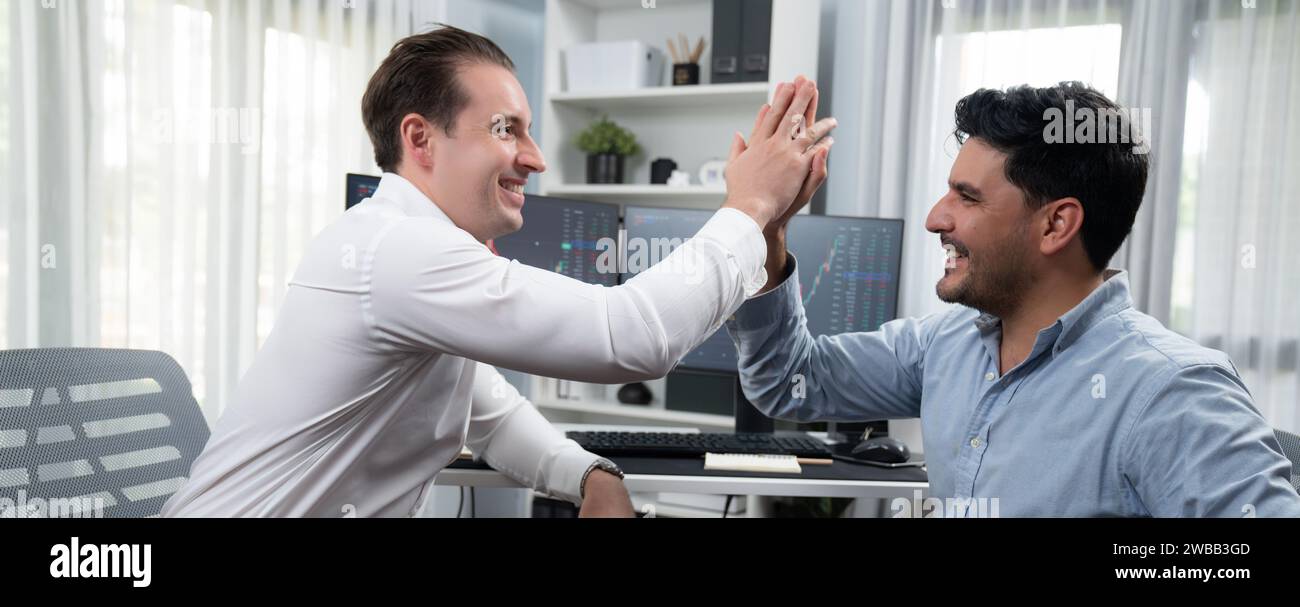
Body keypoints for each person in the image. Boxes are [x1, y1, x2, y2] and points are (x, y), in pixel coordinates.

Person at [161, 25, 836, 517]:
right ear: (420, 139)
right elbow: (629, 336)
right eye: (507, 129)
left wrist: (588, 473)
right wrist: (750, 205)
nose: (536, 158)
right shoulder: (397, 252)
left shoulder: (407, 249)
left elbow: (487, 410)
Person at [726, 82, 1300, 517]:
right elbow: (789, 379)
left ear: (1056, 226)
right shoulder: (943, 346)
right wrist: (767, 230)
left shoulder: (1173, 392)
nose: (934, 218)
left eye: (967, 197)